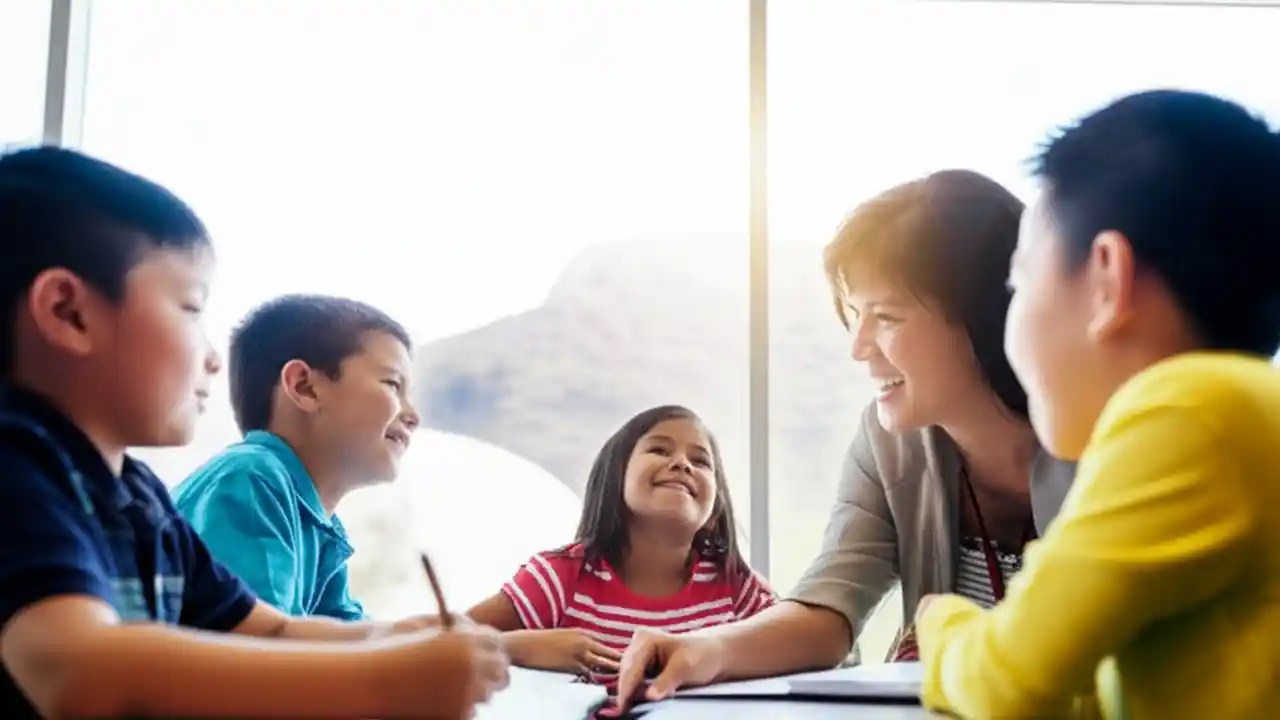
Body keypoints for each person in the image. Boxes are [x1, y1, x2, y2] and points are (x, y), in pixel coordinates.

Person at [0, 146, 507, 718]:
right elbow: (79, 671)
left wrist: (393, 641)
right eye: (192, 310)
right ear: (70, 313)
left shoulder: (138, 498)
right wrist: (386, 681)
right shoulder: (18, 469)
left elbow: (268, 631)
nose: (213, 359)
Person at [614, 169, 1076, 710]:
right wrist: (707, 651)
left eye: (886, 316)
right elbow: (829, 608)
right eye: (856, 315)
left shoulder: (1109, 438)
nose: (858, 347)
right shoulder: (886, 443)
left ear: (985, 316)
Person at [916, 90, 1280, 719]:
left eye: (1019, 282)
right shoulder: (1237, 415)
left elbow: (1009, 685)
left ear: (1108, 278)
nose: (1012, 322)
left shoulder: (1189, 410)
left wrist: (939, 620)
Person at [467, 405, 774, 686]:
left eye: (700, 461)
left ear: (714, 511)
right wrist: (517, 647)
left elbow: (802, 649)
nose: (682, 464)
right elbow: (443, 641)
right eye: (659, 449)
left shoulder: (737, 586)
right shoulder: (557, 579)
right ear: (615, 479)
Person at [174, 294, 418, 619]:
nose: (413, 415)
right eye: (392, 384)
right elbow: (262, 653)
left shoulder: (318, 527)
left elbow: (365, 645)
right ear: (305, 387)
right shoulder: (250, 480)